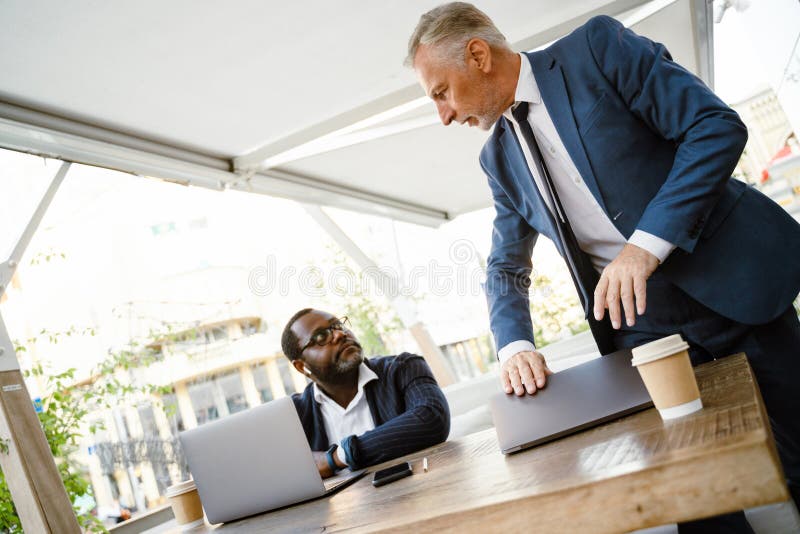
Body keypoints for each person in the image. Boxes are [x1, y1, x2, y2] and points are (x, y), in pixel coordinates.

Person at [406, 3, 800, 532]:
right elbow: (505, 264)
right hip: (644, 334)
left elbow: (714, 127)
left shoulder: (596, 50)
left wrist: (644, 247)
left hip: (736, 286)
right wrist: (515, 344)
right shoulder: (496, 159)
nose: (445, 115)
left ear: (477, 55)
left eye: (440, 93)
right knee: (691, 494)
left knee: (797, 456)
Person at [281, 308, 450, 478]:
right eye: (320, 337)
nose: (339, 334)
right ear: (302, 366)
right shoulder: (293, 414)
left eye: (339, 325)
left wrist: (336, 458)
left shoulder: (403, 368)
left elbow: (432, 418)